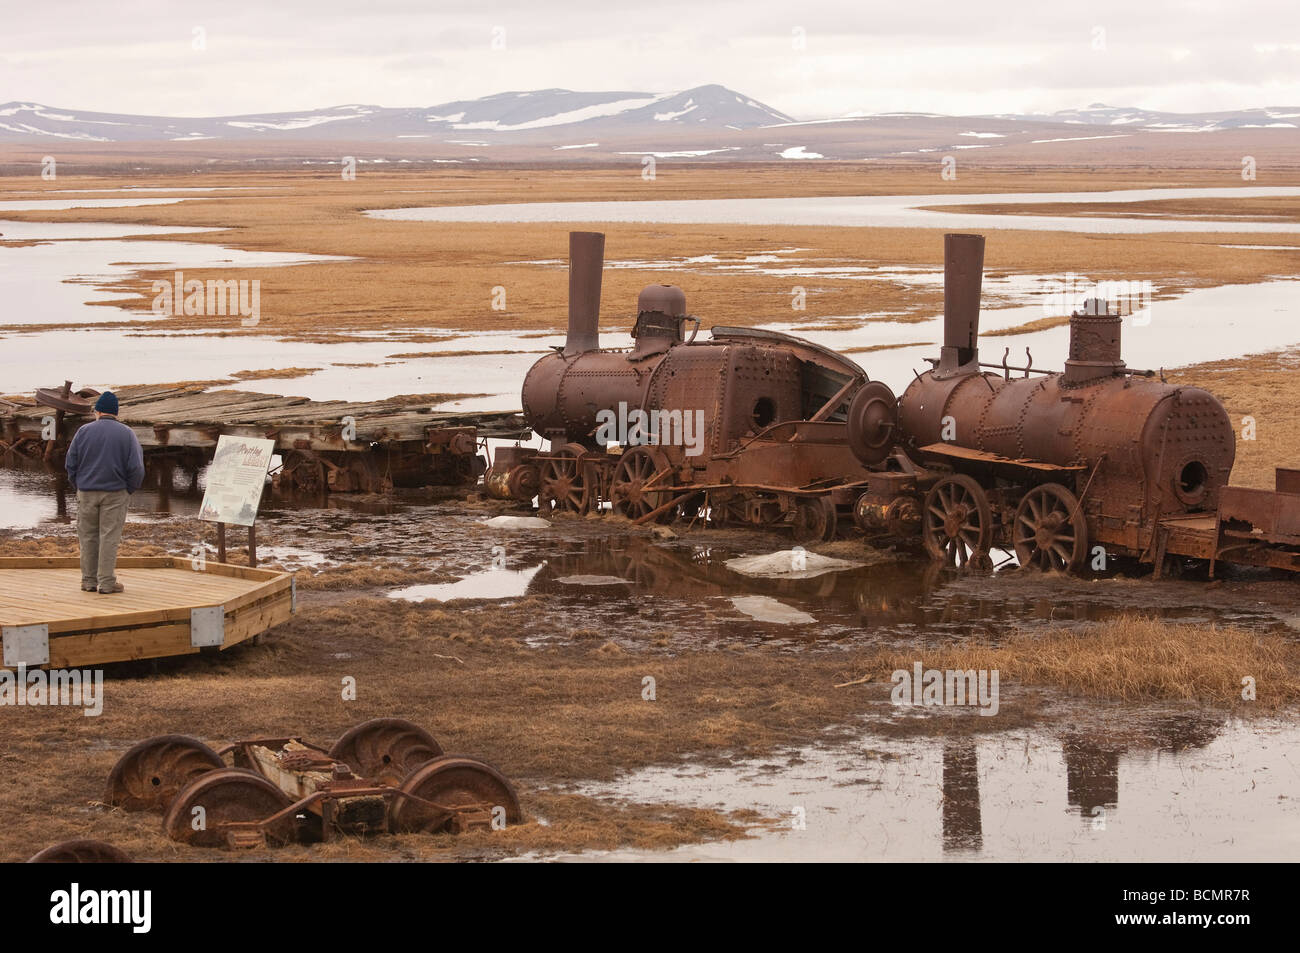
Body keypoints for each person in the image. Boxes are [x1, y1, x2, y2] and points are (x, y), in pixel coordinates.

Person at [64, 392, 145, 594]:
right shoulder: (127, 433)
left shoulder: (83, 431)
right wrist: (129, 489)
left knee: (87, 536)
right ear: (116, 412)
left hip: (86, 491)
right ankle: (107, 583)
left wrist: (78, 485)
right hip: (116, 492)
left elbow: (70, 464)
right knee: (109, 537)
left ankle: (88, 581)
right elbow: (136, 468)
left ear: (97, 411)